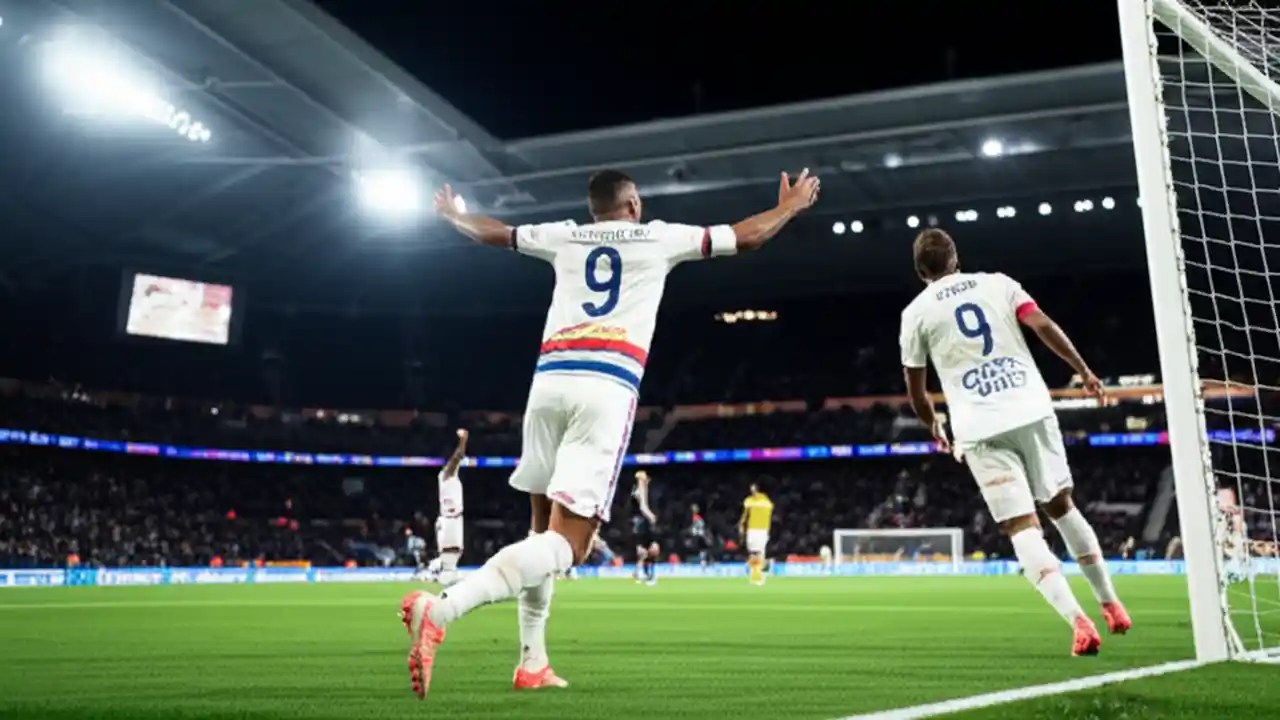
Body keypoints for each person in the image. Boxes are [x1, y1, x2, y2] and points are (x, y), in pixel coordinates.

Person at [399, 167, 820, 699]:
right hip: (605, 386)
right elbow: (747, 236)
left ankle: (532, 662)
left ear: (594, 207)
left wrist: (452, 215)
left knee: (540, 535)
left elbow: (494, 232)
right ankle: (442, 609)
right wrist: (790, 206)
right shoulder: (660, 237)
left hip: (547, 385)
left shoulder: (564, 235)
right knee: (569, 547)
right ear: (633, 204)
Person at [899, 228, 1131, 657]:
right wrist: (1083, 370)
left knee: (1021, 527)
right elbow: (1042, 324)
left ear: (920, 272)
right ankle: (1111, 603)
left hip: (980, 426)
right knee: (1062, 507)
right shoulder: (999, 283)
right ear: (956, 258)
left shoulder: (915, 314)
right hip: (1031, 408)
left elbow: (917, 389)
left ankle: (1078, 622)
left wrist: (934, 424)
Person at [431, 429, 468, 587]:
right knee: (450, 549)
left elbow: (459, 457)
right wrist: (463, 439)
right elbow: (458, 456)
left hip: (453, 517)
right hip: (449, 518)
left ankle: (444, 570)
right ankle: (441, 572)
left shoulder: (450, 476)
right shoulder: (447, 473)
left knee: (456, 549)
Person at [739, 482, 773, 586]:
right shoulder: (750, 500)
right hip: (753, 529)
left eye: (753, 489)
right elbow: (745, 515)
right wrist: (742, 525)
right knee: (753, 553)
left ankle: (761, 576)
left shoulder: (765, 501)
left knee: (760, 553)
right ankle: (754, 575)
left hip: (761, 529)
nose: (752, 491)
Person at [631, 470, 659, 585]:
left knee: (644, 551)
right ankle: (649, 575)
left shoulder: (635, 490)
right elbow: (643, 507)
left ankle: (640, 573)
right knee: (651, 549)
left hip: (638, 523)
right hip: (643, 523)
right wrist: (651, 516)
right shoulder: (641, 489)